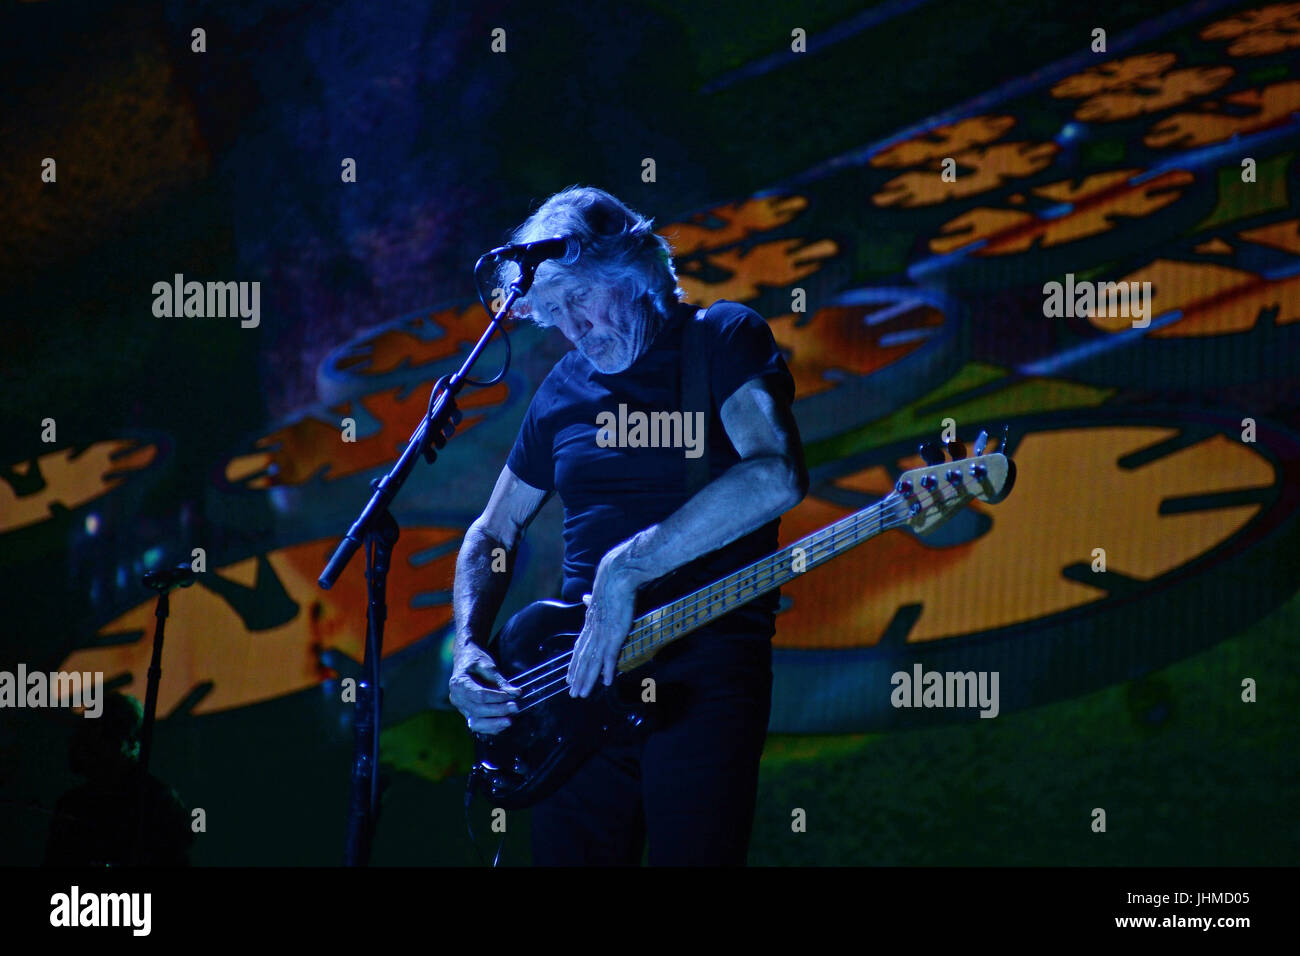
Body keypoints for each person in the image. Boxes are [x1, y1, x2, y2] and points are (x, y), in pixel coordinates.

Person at [448, 186, 807, 865]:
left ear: (633, 271)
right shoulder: (562, 387)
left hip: (702, 670)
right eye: (552, 313)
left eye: (579, 299)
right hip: (574, 682)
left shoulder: (720, 338)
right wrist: (468, 645)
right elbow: (491, 533)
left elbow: (775, 475)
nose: (572, 329)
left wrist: (630, 564)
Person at [44, 692, 195, 866]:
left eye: (104, 734)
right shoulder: (72, 804)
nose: (91, 744)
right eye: (89, 733)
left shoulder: (158, 800)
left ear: (128, 742)